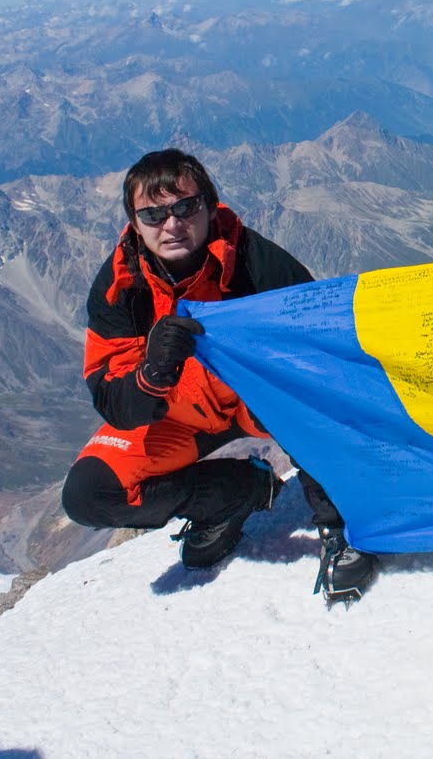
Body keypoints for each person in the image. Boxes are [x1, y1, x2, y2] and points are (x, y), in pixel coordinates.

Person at [60, 148, 377, 603]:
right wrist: (152, 372)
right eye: (152, 214)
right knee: (91, 494)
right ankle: (236, 492)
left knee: (304, 409)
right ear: (134, 222)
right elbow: (113, 402)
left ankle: (341, 527)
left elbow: (320, 366)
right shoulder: (119, 286)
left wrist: (334, 517)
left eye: (184, 207)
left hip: (256, 405)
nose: (171, 224)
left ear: (209, 205)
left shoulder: (258, 263)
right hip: (179, 414)